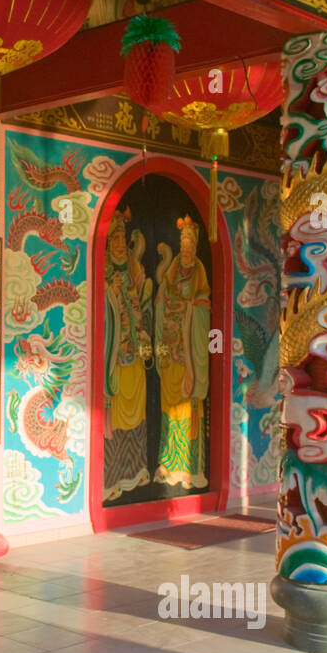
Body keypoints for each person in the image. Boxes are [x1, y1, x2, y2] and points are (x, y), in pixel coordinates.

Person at [153, 215, 211, 489]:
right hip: (170, 352)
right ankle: (168, 461)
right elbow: (162, 299)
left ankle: (190, 465)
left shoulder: (199, 271)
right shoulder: (172, 270)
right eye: (183, 241)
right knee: (168, 409)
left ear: (196, 246)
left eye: (190, 241)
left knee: (188, 409)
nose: (185, 246)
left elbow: (204, 305)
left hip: (189, 354)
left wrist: (190, 309)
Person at [102, 209, 153, 499]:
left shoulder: (133, 275)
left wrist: (144, 335)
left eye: (123, 239)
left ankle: (136, 470)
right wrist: (111, 292)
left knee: (137, 416)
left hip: (134, 357)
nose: (120, 245)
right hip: (115, 360)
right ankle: (113, 476)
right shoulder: (106, 277)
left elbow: (142, 310)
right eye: (115, 240)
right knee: (117, 417)